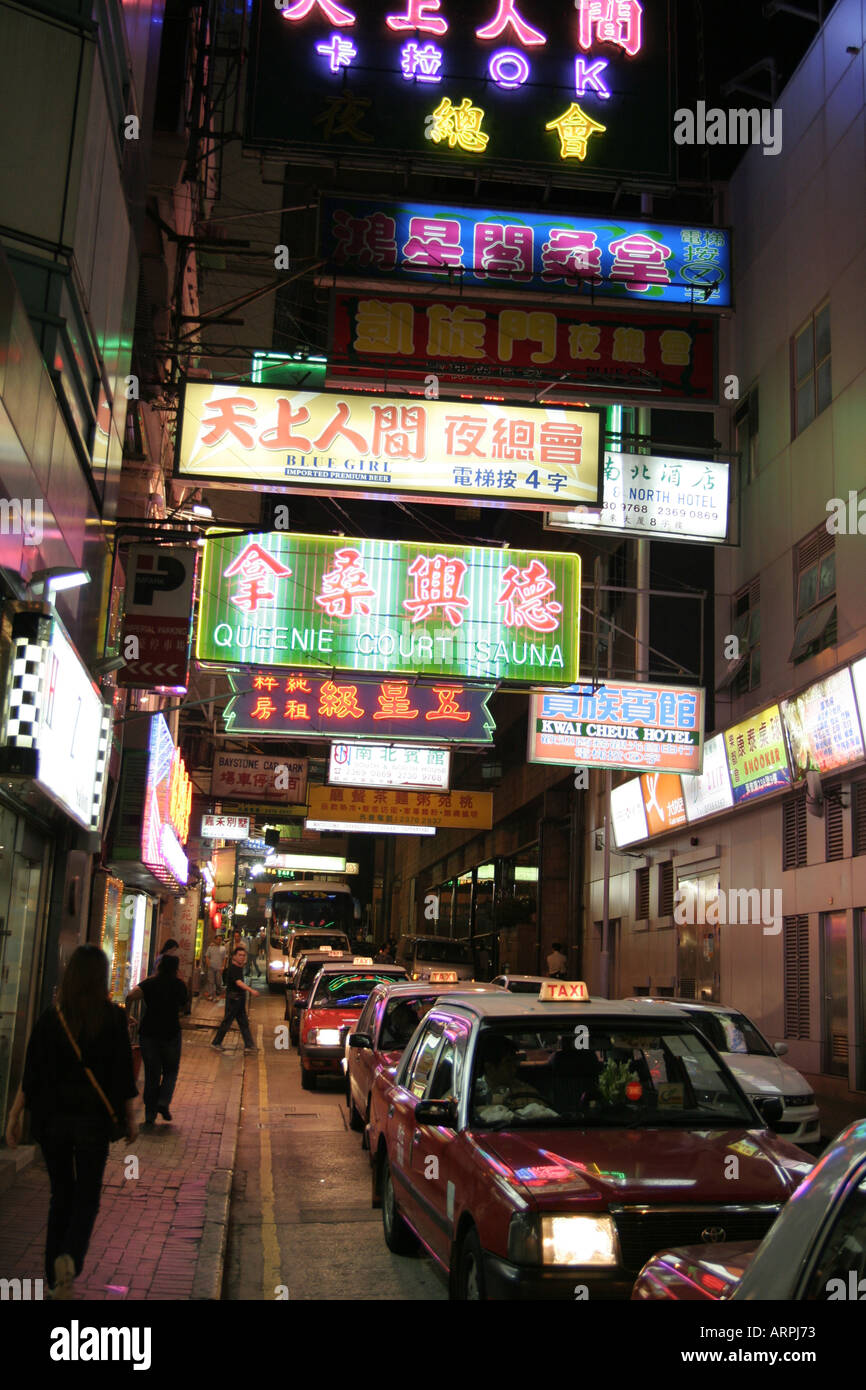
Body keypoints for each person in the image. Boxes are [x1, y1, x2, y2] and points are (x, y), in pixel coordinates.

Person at [4, 945, 137, 1300]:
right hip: (93, 1122)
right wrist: (131, 1119)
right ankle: (70, 1258)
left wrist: (14, 1115)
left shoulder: (52, 1018)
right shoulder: (112, 1019)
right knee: (88, 1195)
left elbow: (31, 1074)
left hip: (52, 1122)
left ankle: (53, 1278)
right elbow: (124, 1075)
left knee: (60, 1194)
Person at [126, 955, 188, 1124]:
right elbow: (184, 1005)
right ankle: (163, 1101)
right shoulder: (179, 985)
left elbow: (130, 996)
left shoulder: (150, 983)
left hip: (149, 1033)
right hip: (171, 1033)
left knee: (152, 1074)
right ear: (176, 968)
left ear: (159, 967)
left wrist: (126, 1016)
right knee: (171, 1071)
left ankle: (150, 1113)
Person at [210, 945, 258, 1053]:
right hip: (234, 999)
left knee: (243, 1022)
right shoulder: (233, 968)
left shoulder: (238, 967)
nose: (242, 957)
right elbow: (239, 982)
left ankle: (249, 1045)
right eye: (240, 955)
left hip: (239, 998)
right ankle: (216, 1042)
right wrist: (251, 990)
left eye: (244, 955)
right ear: (234, 956)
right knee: (227, 1022)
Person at [204, 934, 226, 1001]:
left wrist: (223, 967)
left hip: (219, 968)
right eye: (218, 939)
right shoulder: (210, 947)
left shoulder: (223, 948)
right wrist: (208, 964)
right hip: (211, 967)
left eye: (220, 939)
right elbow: (207, 956)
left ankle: (218, 994)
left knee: (218, 982)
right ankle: (211, 995)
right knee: (211, 981)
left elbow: (224, 958)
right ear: (215, 940)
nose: (219, 941)